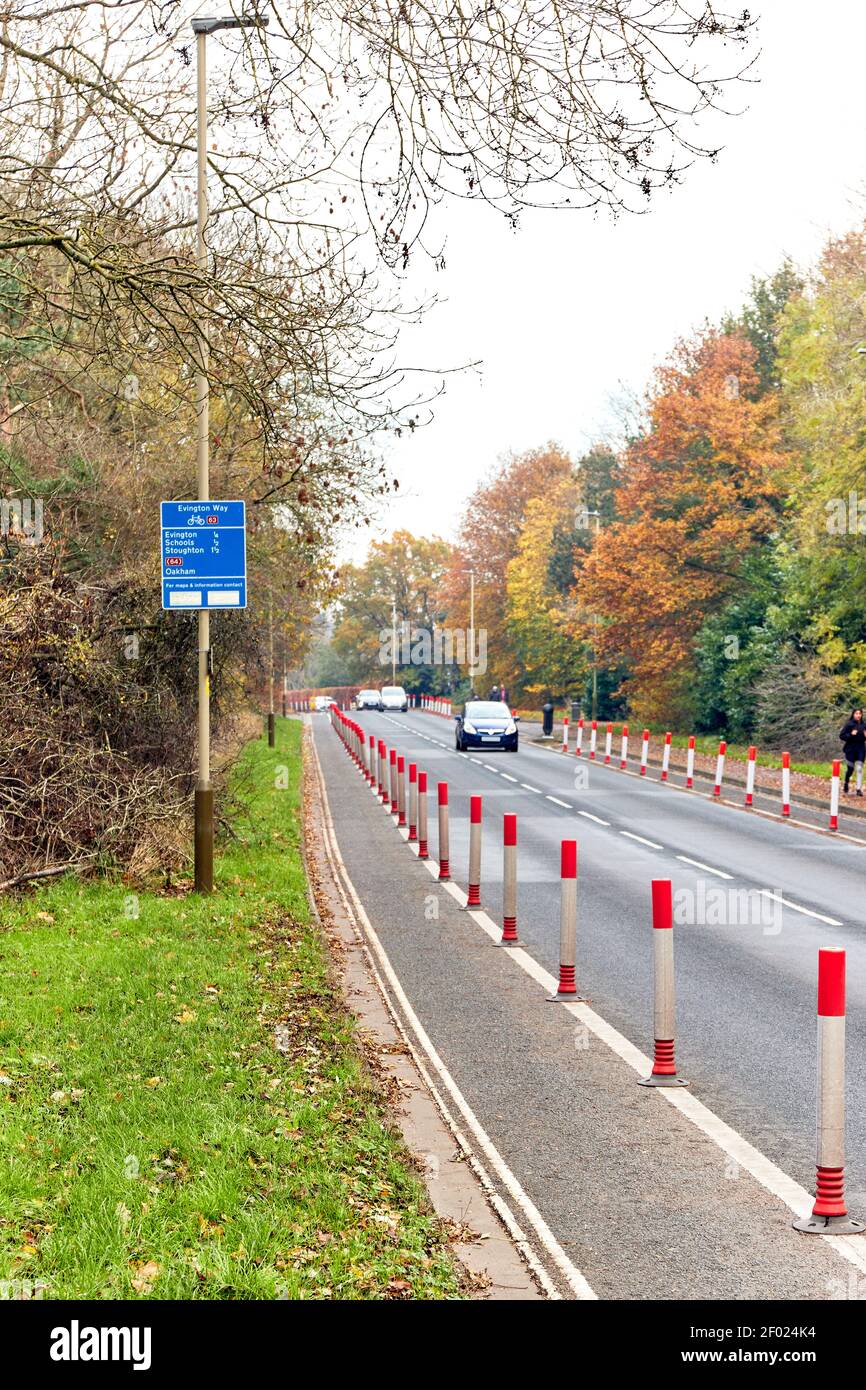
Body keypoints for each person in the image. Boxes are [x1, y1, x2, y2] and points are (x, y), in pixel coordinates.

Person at [839, 708, 866, 796]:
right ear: (853, 714)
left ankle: (858, 789)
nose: (858, 715)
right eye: (856, 713)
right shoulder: (849, 724)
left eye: (860, 713)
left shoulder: (864, 725)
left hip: (861, 749)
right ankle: (846, 783)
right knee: (850, 769)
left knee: (859, 769)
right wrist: (851, 734)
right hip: (850, 749)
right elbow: (841, 736)